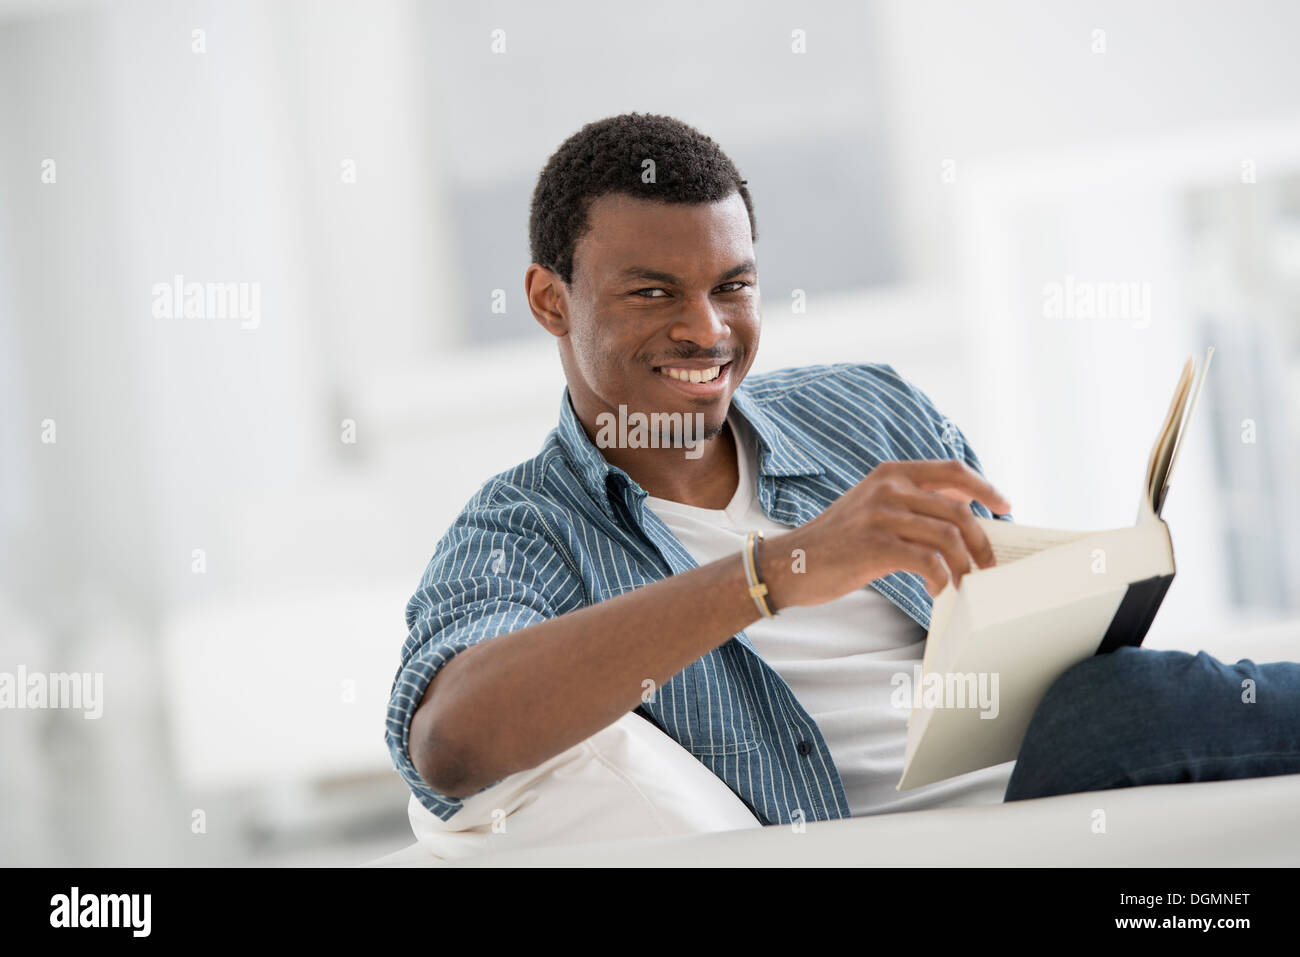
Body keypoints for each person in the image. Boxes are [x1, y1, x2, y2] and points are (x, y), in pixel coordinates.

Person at [385, 112, 1300, 831]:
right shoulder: (522, 528)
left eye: (732, 286)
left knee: (1126, 692)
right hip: (940, 829)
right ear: (552, 300)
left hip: (1062, 763)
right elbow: (451, 741)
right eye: (653, 292)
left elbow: (1000, 613)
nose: (706, 330)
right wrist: (775, 572)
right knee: (1126, 704)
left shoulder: (861, 406)